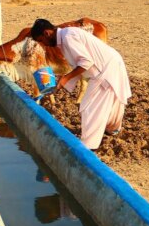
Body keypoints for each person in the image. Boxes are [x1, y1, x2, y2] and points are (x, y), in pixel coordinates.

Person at [30, 18, 131, 150]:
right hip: (111, 63)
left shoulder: (68, 37)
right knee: (112, 99)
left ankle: (89, 146)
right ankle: (113, 129)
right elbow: (81, 64)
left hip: (105, 70)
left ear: (47, 33)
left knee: (89, 107)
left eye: (42, 41)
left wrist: (66, 79)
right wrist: (62, 81)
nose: (45, 45)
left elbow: (86, 63)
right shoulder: (66, 35)